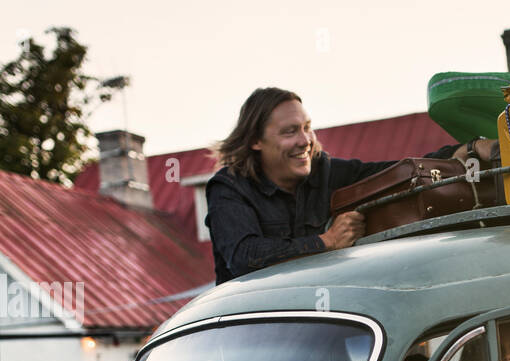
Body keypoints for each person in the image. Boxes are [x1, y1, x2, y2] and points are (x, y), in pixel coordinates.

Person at [206, 87, 495, 283]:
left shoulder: (326, 172)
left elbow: (398, 173)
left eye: (307, 127)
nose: (305, 140)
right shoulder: (229, 188)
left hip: (318, 327)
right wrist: (327, 242)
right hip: (250, 335)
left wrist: (469, 148)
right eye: (290, 131)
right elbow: (245, 258)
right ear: (255, 140)